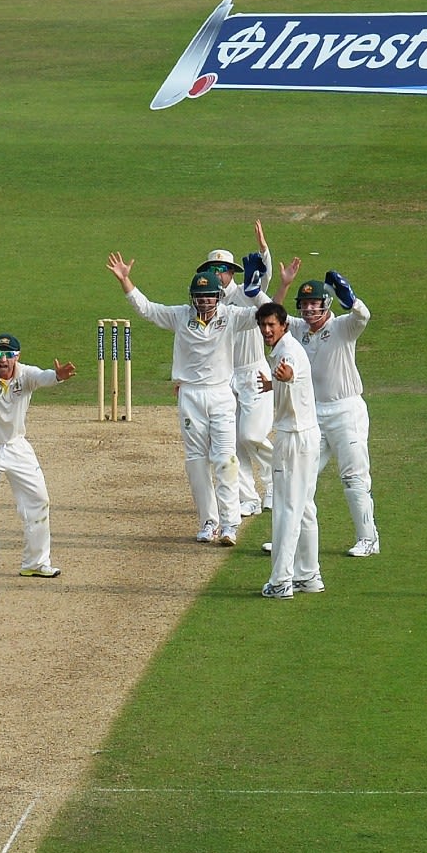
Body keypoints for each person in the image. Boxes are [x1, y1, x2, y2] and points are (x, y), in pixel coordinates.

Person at [105, 252, 262, 546]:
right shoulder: (180, 316)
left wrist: (256, 291)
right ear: (193, 298)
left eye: (209, 298)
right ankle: (208, 522)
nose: (204, 303)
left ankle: (230, 525)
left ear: (218, 297)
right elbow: (148, 310)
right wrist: (126, 281)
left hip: (221, 395)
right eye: (199, 298)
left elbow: (266, 316)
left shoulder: (231, 316)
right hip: (190, 396)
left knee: (225, 460)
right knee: (196, 462)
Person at [272, 260, 380, 557]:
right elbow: (272, 315)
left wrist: (351, 299)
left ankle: (368, 539)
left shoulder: (343, 326)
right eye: (304, 305)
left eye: (313, 304)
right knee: (301, 477)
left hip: (347, 411)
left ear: (326, 304)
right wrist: (283, 285)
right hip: (313, 415)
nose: (308, 310)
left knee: (353, 476)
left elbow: (363, 316)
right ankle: (289, 539)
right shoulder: (297, 330)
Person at [0, 334, 75, 585]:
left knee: (39, 499)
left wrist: (58, 376)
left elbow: (45, 377)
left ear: (17, 356)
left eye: (8, 355)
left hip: (17, 447)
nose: (3, 359)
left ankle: (36, 563)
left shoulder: (26, 374)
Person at [199, 226, 275, 517]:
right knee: (233, 441)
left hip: (254, 372)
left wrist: (264, 250)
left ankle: (275, 485)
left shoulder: (246, 292)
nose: (218, 274)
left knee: (251, 435)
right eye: (213, 269)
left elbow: (263, 280)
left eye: (223, 269)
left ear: (232, 272)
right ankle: (249, 497)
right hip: (227, 377)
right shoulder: (206, 303)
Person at [255, 304, 323, 598]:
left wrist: (285, 377)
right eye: (263, 325)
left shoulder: (288, 353)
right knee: (305, 506)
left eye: (272, 325)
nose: (267, 330)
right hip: (307, 435)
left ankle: (281, 581)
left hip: (293, 439)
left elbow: (292, 371)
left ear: (284, 325)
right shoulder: (288, 347)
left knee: (286, 509)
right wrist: (274, 383)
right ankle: (308, 575)